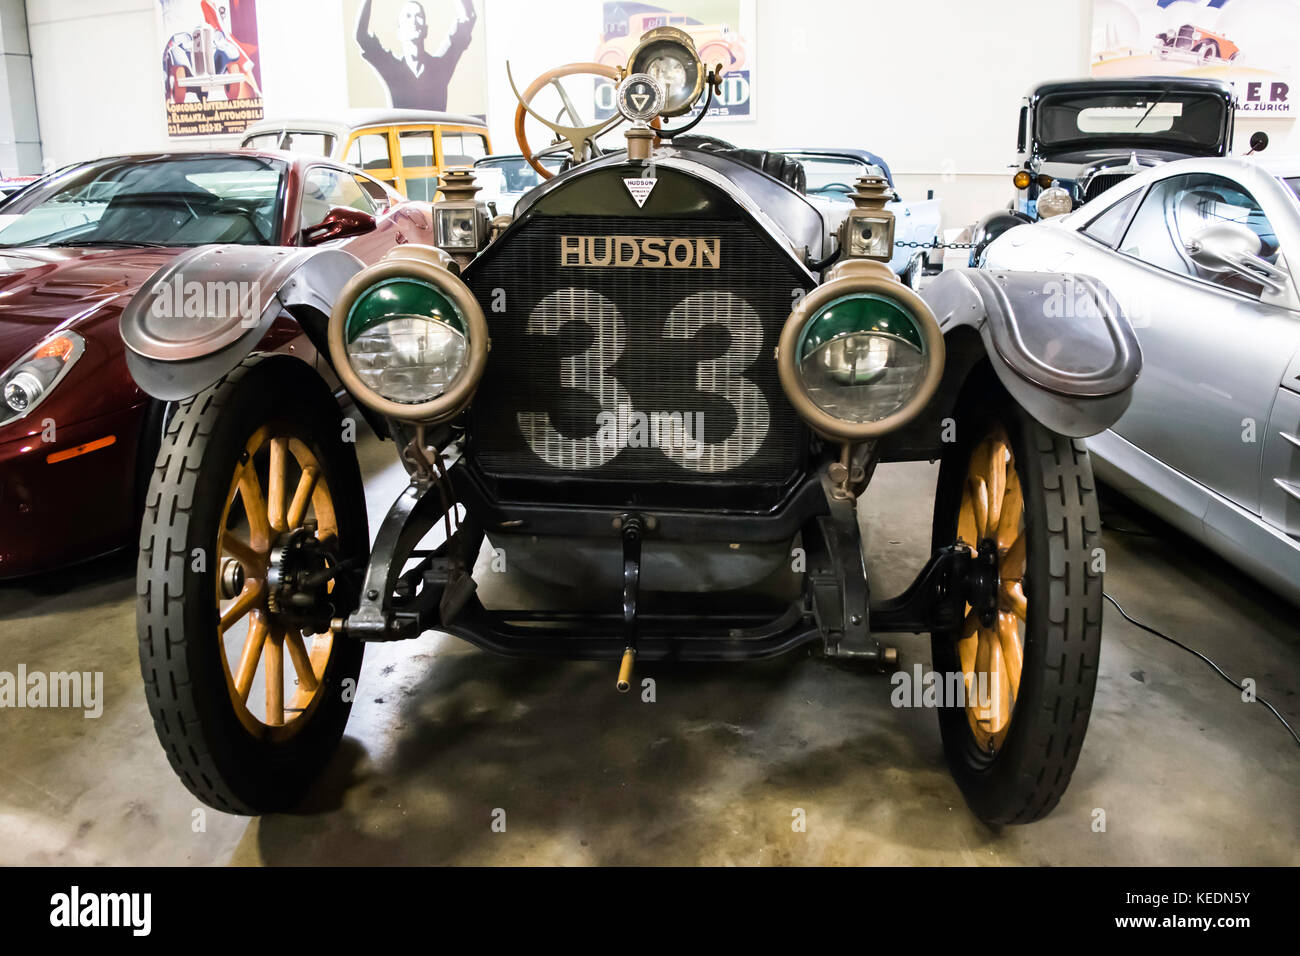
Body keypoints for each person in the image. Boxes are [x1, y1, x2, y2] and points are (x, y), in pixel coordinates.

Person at [355, 0, 476, 110]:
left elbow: (469, 17)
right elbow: (361, 36)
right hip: (399, 134)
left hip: (435, 134)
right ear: (399, 31)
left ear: (426, 30)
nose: (413, 20)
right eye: (408, 16)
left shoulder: (440, 67)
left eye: (419, 16)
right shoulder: (392, 69)